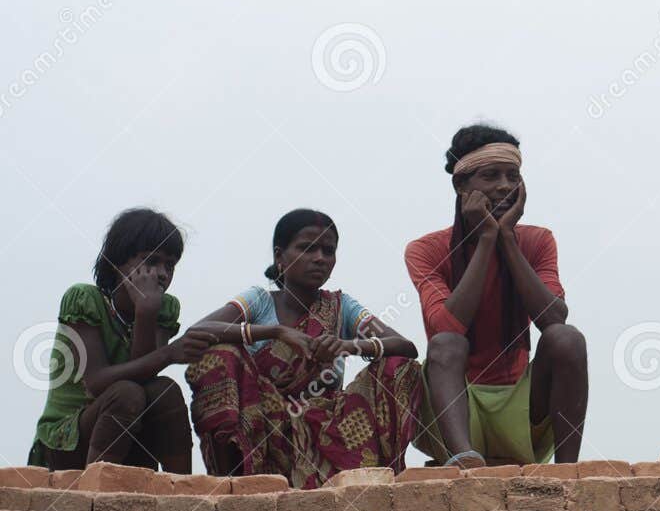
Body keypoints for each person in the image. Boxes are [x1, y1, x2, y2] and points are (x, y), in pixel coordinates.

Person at [185, 209, 424, 487]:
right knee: (219, 355)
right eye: (307, 248)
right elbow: (199, 331)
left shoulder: (341, 306)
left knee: (398, 367)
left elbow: (405, 347)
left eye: (328, 250)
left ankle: (372, 479)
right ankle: (237, 480)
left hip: (328, 432)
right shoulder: (260, 301)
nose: (320, 258)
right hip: (262, 424)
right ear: (279, 256)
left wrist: (347, 346)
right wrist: (277, 332)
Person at [405, 123, 587, 468]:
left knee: (567, 338)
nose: (505, 186)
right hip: (457, 407)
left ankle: (568, 472)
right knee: (445, 345)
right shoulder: (425, 250)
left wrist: (506, 238)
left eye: (513, 175)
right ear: (461, 186)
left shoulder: (537, 241)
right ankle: (464, 460)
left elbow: (552, 318)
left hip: (521, 408)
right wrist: (486, 240)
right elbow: (446, 327)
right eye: (490, 176)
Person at [28, 208, 209, 472]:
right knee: (126, 393)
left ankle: (182, 492)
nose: (161, 273)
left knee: (164, 391)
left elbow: (147, 381)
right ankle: (94, 492)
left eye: (169, 265)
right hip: (69, 444)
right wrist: (168, 352)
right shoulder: (85, 300)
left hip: (131, 436)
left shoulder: (165, 308)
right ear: (117, 264)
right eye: (151, 261)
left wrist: (145, 314)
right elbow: (98, 382)